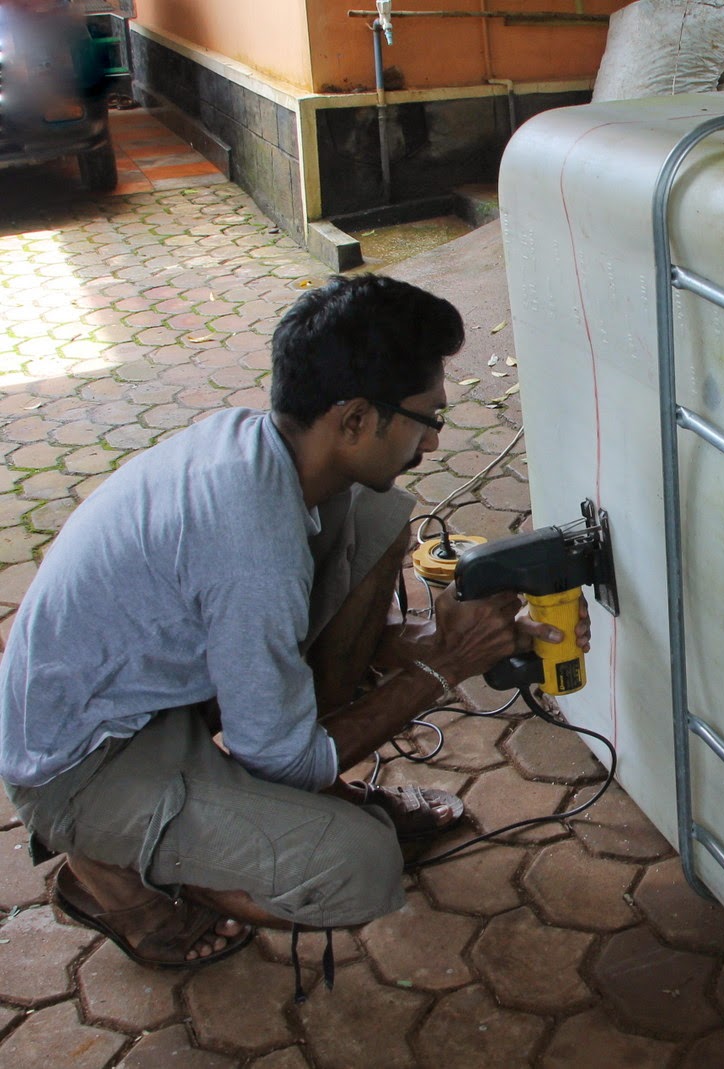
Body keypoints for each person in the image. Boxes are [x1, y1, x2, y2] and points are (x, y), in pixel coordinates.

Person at [0, 274, 578, 972]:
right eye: (428, 418)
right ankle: (117, 877)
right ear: (356, 418)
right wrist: (443, 666)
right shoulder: (254, 542)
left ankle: (260, 809)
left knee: (377, 514)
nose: (431, 442)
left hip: (136, 688)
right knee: (361, 864)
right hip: (82, 766)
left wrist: (414, 640)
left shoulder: (264, 451)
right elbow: (282, 759)